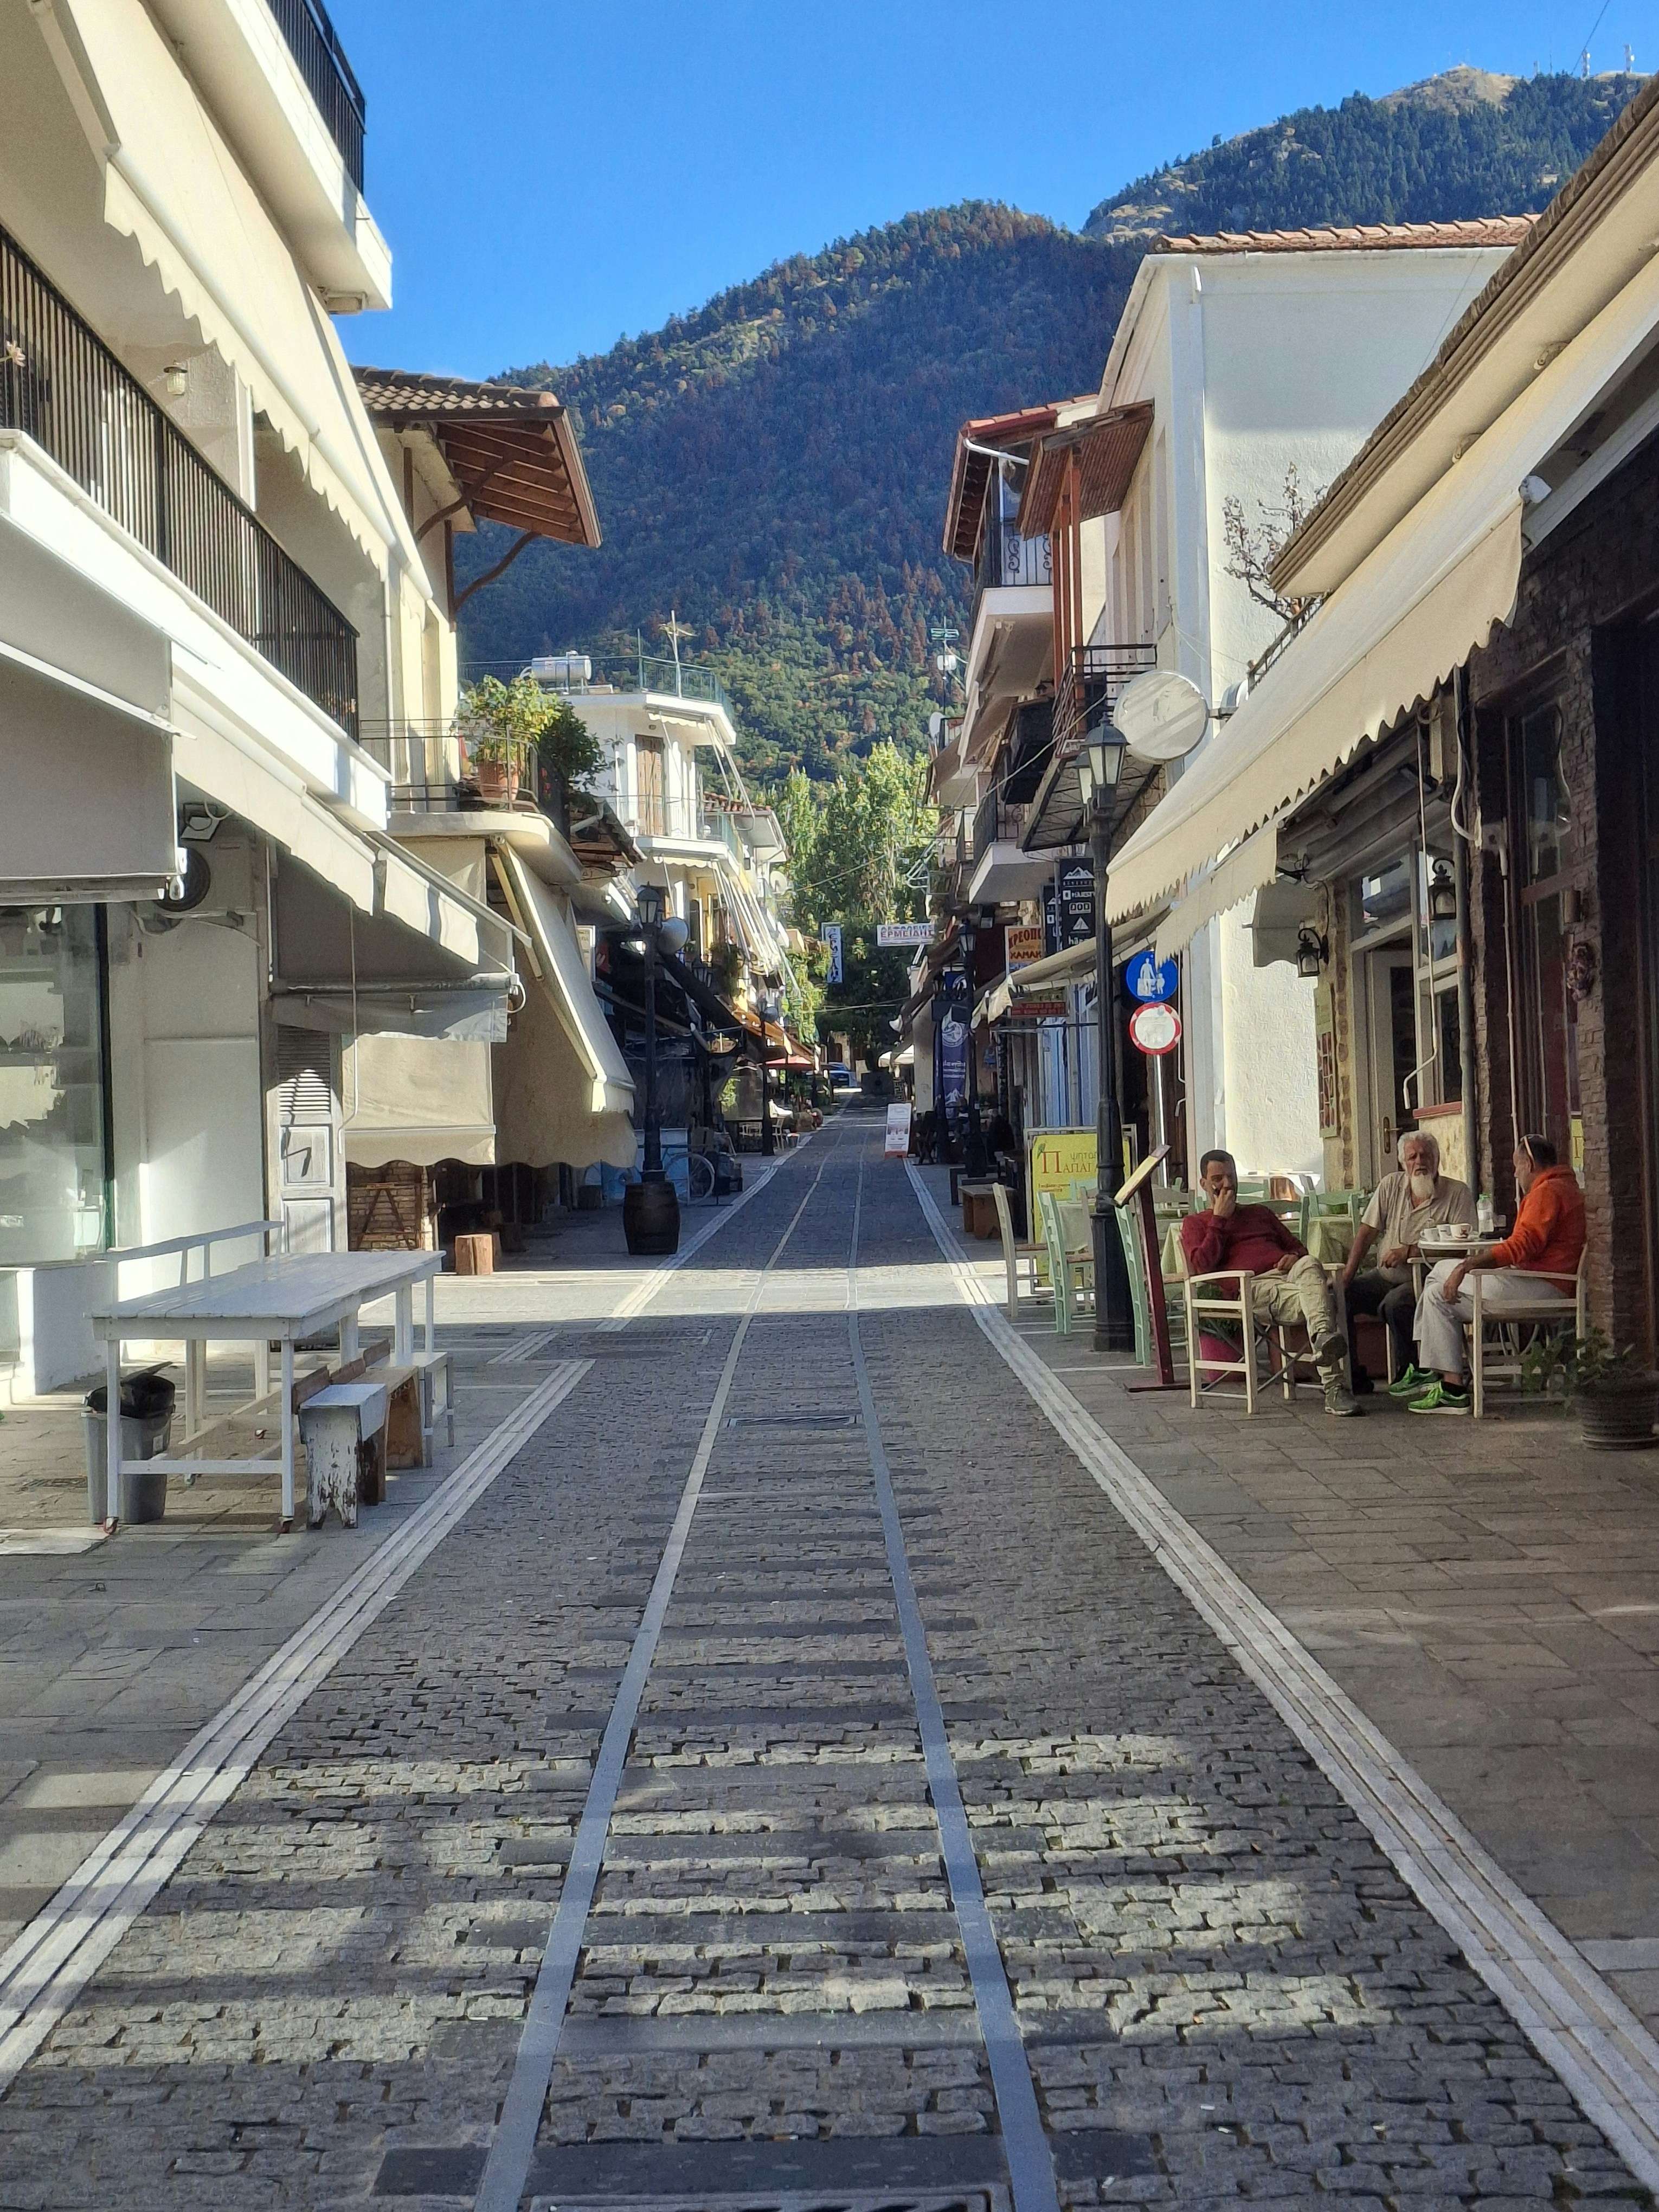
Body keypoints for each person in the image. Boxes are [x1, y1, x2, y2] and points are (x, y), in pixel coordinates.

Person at [1407, 1133, 1585, 1415]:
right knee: (1435, 1295)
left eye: (1517, 1166)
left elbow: (1524, 1244)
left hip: (1543, 1286)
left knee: (1441, 1270)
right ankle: (1451, 1386)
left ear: (1529, 1164)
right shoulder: (1564, 1187)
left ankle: (1429, 1369)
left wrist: (1467, 1266)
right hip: (1542, 1282)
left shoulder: (1547, 1192)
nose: (1515, 1174)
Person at [1180, 1149, 1359, 1417]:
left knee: (1310, 1264)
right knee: (1318, 1301)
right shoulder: (1196, 1223)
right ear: (1204, 1185)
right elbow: (1202, 1266)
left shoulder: (1260, 1213)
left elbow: (1299, 1248)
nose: (1227, 1184)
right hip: (1252, 1287)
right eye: (1218, 1178)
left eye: (1231, 1177)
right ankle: (1333, 1387)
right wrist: (1219, 1220)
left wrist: (1293, 1256)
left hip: (1290, 1278)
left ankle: (1322, 1338)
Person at [1342, 1131, 1477, 1394]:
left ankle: (1412, 1371)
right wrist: (1347, 1273)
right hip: (1385, 1276)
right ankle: (1352, 1375)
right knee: (1343, 1295)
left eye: (1426, 1155)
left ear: (1438, 1159)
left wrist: (1410, 1251)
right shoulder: (1391, 1186)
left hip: (1430, 1277)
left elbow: (1464, 1248)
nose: (1420, 1161)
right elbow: (1367, 1231)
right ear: (1403, 1163)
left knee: (1397, 1304)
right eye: (1413, 1157)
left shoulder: (1457, 1193)